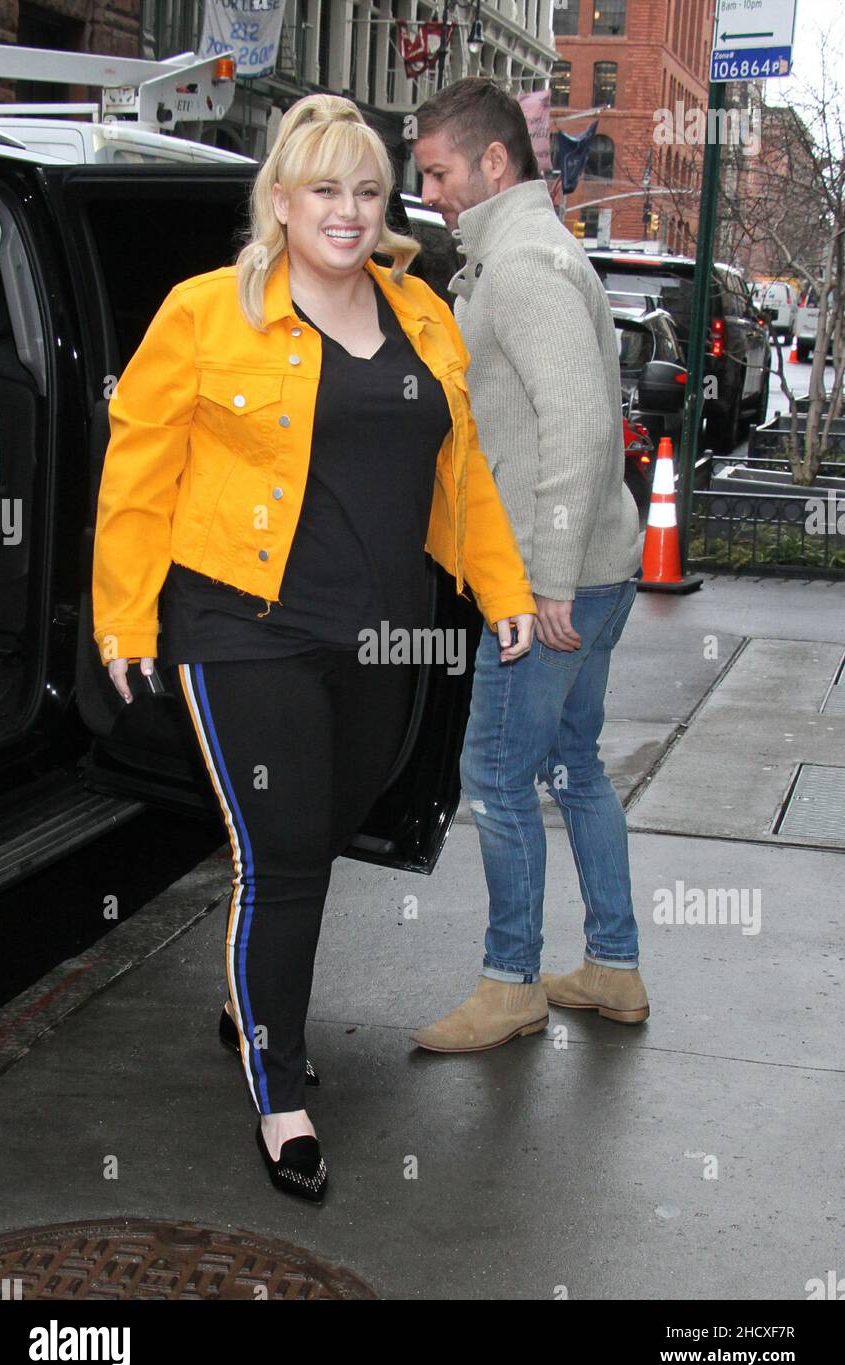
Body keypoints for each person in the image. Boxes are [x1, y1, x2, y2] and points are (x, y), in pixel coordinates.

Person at [91, 93, 537, 1201]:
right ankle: (279, 1088)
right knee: (282, 854)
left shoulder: (421, 313)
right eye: (323, 188)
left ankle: (255, 992)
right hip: (243, 625)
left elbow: (461, 469)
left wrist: (502, 585)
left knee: (330, 826)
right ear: (279, 200)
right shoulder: (206, 313)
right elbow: (138, 476)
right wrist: (124, 616)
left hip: (383, 635)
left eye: (368, 190)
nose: (346, 210)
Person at [409, 78, 648, 1054]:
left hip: (551, 578)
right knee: (573, 767)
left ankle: (509, 981)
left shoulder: (522, 267)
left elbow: (580, 428)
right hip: (594, 564)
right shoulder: (516, 255)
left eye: (436, 171)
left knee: (494, 777)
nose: (427, 191)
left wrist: (544, 581)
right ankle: (611, 964)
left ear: (492, 162)